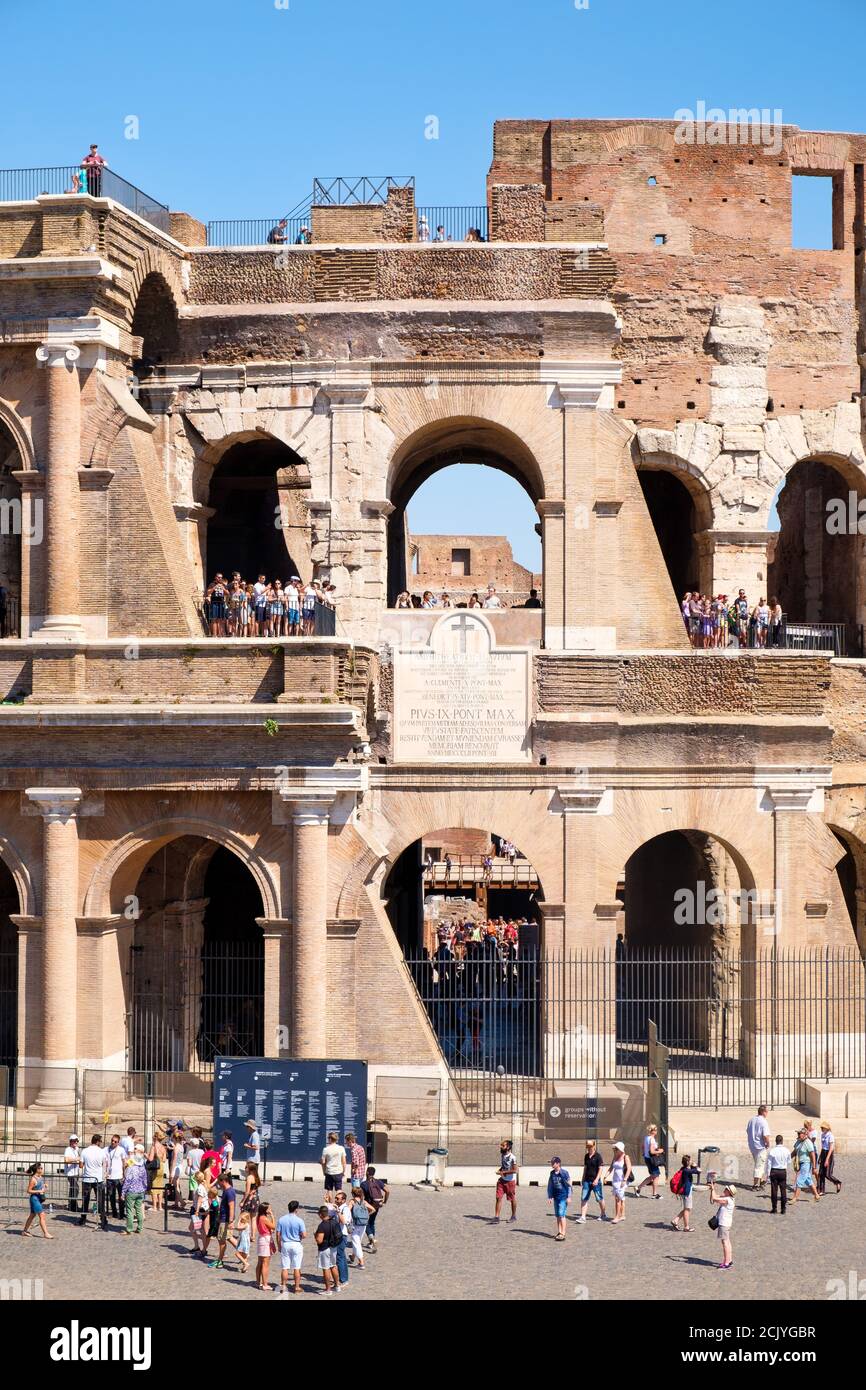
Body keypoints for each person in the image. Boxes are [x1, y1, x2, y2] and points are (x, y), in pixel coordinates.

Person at [277, 1199, 306, 1296]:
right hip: (296, 1243)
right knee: (297, 1267)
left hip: (285, 1243)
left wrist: (279, 1245)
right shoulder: (299, 1220)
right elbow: (304, 1235)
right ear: (296, 1209)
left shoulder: (281, 1219)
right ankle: (297, 1287)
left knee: (285, 1267)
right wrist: (300, 1236)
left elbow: (278, 1234)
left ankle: (283, 1287)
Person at [79, 1133, 108, 1230]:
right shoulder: (101, 1152)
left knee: (85, 1200)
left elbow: (81, 1165)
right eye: (100, 1141)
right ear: (98, 1142)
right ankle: (103, 1219)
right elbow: (104, 1164)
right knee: (100, 1200)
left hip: (87, 1178)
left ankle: (83, 1218)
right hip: (98, 1179)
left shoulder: (84, 1151)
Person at [210, 1173, 237, 1268]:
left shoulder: (229, 1192)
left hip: (226, 1220)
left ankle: (220, 1260)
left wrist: (230, 1221)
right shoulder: (227, 1190)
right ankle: (244, 1254)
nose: (218, 1184)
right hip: (224, 1218)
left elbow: (231, 1207)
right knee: (228, 1238)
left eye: (219, 1182)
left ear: (223, 1181)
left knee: (222, 1240)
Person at [314, 1204, 342, 1296]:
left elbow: (319, 1240)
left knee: (326, 1268)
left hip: (325, 1248)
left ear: (320, 1214)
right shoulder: (334, 1222)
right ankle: (337, 1286)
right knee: (333, 1266)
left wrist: (315, 1236)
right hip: (333, 1247)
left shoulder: (322, 1226)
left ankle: (328, 1289)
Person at [121, 1143, 148, 1236]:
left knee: (129, 1210)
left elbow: (127, 1180)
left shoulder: (131, 1167)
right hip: (140, 1191)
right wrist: (144, 1189)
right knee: (139, 1210)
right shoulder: (142, 1166)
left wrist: (123, 1192)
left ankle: (129, 1229)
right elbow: (145, 1180)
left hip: (131, 1191)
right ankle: (139, 1228)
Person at [577, 1138, 606, 1223]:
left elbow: (600, 1169)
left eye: (590, 1146)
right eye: (587, 1146)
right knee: (584, 1198)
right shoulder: (586, 1156)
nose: (588, 1148)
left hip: (595, 1181)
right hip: (587, 1180)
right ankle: (583, 1217)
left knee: (599, 1198)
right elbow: (585, 1168)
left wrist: (596, 1179)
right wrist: (583, 1178)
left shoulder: (598, 1156)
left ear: (594, 1146)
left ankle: (603, 1214)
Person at [359, 1165, 388, 1251]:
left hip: (368, 1205)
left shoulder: (363, 1184)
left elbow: (361, 1197)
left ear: (367, 1172)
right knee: (372, 1222)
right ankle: (371, 1243)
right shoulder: (378, 1182)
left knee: (365, 1222)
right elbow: (387, 1191)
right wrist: (384, 1201)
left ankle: (372, 1239)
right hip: (377, 1205)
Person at [670, 1154, 701, 1232]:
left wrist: (693, 1166)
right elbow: (698, 1171)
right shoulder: (686, 1171)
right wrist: (695, 1166)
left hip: (684, 1191)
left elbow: (693, 1170)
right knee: (687, 1209)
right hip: (686, 1192)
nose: (691, 1161)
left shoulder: (683, 1169)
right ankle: (686, 1227)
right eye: (690, 1160)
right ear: (687, 1162)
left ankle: (675, 1220)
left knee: (686, 1208)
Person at [709, 1180, 736, 1269]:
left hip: (724, 1223)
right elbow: (715, 1197)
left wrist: (712, 1189)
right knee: (727, 1241)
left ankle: (726, 1263)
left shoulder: (727, 1200)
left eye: (726, 1189)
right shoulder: (729, 1198)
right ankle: (729, 1260)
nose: (724, 1190)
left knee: (725, 1242)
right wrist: (712, 1189)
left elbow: (714, 1199)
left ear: (729, 1192)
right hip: (726, 1223)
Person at [22, 1162, 53, 1239]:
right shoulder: (33, 1179)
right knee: (42, 1215)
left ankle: (25, 1231)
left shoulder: (40, 1177)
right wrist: (39, 1191)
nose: (42, 1169)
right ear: (37, 1170)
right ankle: (46, 1233)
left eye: (42, 1168)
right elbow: (28, 1190)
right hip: (34, 1199)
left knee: (32, 1215)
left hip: (38, 1199)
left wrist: (44, 1185)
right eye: (41, 1168)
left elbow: (40, 1185)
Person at [791, 1126, 820, 1203]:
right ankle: (816, 1195)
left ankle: (795, 1198)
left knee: (799, 1180)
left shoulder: (808, 1142)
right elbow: (795, 1151)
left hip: (806, 1163)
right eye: (798, 1133)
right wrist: (788, 1158)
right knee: (808, 1180)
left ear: (804, 1134)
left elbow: (812, 1155)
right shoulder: (798, 1141)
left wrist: (814, 1167)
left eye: (799, 1133)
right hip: (800, 1163)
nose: (798, 1134)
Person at [635, 1124, 664, 1198]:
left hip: (647, 1158)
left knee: (654, 1176)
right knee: (655, 1176)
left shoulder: (646, 1138)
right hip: (652, 1160)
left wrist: (645, 1154)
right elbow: (652, 1151)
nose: (656, 1131)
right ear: (653, 1131)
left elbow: (643, 1147)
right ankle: (641, 1188)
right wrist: (660, 1151)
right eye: (655, 1130)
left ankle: (650, 1191)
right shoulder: (652, 1139)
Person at [493, 1138, 518, 1223]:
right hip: (502, 1181)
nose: (501, 1147)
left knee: (512, 1199)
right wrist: (500, 1170)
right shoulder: (503, 1155)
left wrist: (503, 1172)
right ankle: (496, 1217)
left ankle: (513, 1216)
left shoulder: (513, 1157)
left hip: (510, 1182)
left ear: (508, 1147)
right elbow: (504, 1166)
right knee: (498, 1197)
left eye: (503, 1145)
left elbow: (515, 1170)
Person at [547, 1156, 572, 1240]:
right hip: (556, 1197)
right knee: (557, 1215)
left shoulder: (564, 1173)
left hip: (563, 1197)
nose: (551, 1164)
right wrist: (550, 1196)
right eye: (551, 1163)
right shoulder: (552, 1173)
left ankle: (563, 1233)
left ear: (558, 1163)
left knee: (561, 1214)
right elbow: (550, 1185)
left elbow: (569, 1185)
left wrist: (569, 1197)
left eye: (553, 1163)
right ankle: (559, 1231)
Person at [746, 1105, 771, 1189]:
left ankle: (761, 1180)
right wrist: (767, 1143)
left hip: (752, 1146)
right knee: (759, 1166)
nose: (767, 1113)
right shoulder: (763, 1121)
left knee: (758, 1163)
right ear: (763, 1112)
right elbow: (765, 1135)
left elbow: (748, 1131)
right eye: (767, 1112)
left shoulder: (751, 1120)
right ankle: (755, 1184)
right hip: (760, 1146)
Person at [608, 1140, 633, 1224]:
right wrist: (605, 1176)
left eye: (616, 1149)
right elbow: (611, 1167)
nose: (614, 1150)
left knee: (617, 1198)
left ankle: (617, 1216)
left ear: (620, 1149)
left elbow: (629, 1169)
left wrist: (625, 1180)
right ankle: (622, 1215)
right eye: (614, 1148)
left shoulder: (626, 1157)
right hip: (615, 1180)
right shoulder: (615, 1157)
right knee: (621, 1198)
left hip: (622, 1181)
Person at [767, 1133, 792, 1214]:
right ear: (782, 1141)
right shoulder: (787, 1150)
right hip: (782, 1171)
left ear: (776, 1141)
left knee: (774, 1191)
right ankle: (783, 1209)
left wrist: (768, 1174)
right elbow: (789, 1161)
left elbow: (769, 1164)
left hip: (774, 1171)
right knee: (783, 1190)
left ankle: (774, 1208)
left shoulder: (772, 1151)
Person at [254, 1201, 276, 1291]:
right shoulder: (264, 1218)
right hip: (265, 1241)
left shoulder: (258, 1217)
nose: (270, 1209)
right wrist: (272, 1216)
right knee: (265, 1263)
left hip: (261, 1239)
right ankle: (265, 1284)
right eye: (269, 1208)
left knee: (260, 1262)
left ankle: (258, 1282)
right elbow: (273, 1226)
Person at [103, 1133, 125, 1220]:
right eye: (112, 1140)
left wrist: (124, 1174)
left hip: (119, 1176)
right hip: (110, 1177)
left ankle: (122, 1213)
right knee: (111, 1196)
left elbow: (124, 1162)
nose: (113, 1142)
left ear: (118, 1143)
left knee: (121, 1196)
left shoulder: (121, 1150)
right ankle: (114, 1213)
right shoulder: (106, 1149)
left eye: (115, 1141)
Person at [348, 1187, 372, 1265]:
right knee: (357, 1242)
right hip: (363, 1224)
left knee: (356, 1243)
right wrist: (366, 1215)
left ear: (353, 1194)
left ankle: (361, 1263)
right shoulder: (364, 1201)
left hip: (355, 1224)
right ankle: (352, 1257)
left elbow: (347, 1211)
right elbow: (373, 1209)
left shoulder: (352, 1201)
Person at [818, 1121, 842, 1194]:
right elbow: (822, 1147)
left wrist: (827, 1159)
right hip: (823, 1153)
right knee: (821, 1173)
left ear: (827, 1128)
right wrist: (820, 1157)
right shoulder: (822, 1135)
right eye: (821, 1127)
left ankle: (837, 1182)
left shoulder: (830, 1136)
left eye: (823, 1128)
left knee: (827, 1174)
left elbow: (831, 1148)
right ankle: (822, 1190)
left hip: (829, 1154)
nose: (822, 1129)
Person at [321, 1131, 347, 1199]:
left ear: (330, 1139)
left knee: (329, 1189)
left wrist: (324, 1171)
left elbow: (323, 1162)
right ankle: (340, 1203)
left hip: (329, 1172)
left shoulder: (325, 1149)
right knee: (339, 1189)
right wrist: (343, 1171)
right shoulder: (341, 1148)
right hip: (338, 1171)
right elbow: (344, 1162)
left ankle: (330, 1204)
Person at [63, 1134, 82, 1212]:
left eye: (77, 1141)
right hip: (70, 1173)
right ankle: (73, 1206)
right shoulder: (68, 1149)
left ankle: (71, 1205)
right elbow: (66, 1160)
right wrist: (76, 1159)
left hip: (76, 1172)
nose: (76, 1142)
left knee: (73, 1189)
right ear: (71, 1141)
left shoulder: (77, 1149)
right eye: (74, 1141)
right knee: (75, 1188)